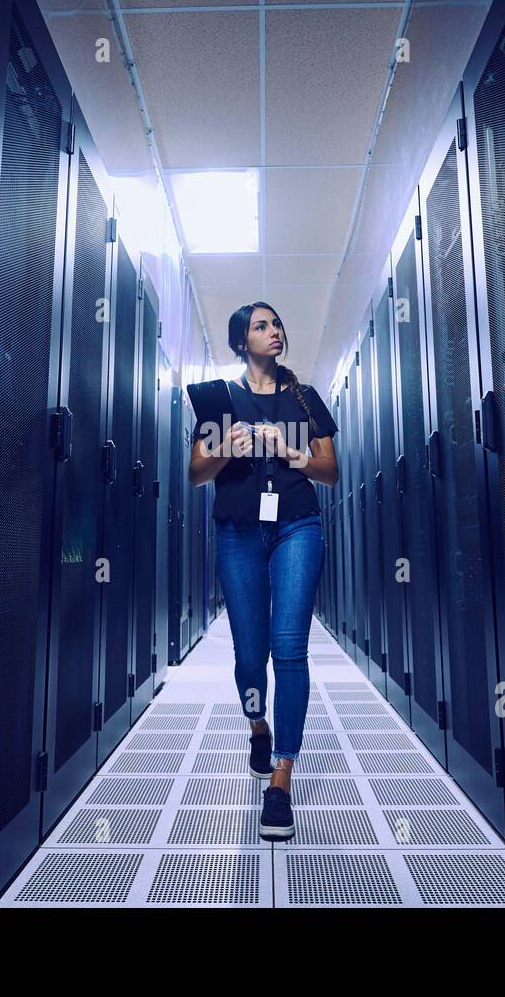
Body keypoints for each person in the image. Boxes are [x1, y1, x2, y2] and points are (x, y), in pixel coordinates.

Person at [188, 302, 339, 841]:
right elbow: (196, 474)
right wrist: (228, 447)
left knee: (289, 650)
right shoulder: (217, 399)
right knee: (250, 655)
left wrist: (287, 448)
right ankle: (258, 725)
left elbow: (330, 471)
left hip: (297, 527)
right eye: (261, 326)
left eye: (277, 323)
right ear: (240, 342)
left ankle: (281, 779)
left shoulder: (305, 398)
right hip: (238, 532)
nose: (274, 332)